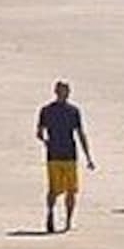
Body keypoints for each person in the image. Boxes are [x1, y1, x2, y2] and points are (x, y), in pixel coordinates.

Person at [35, 80, 95, 233]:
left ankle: (59, 216)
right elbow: (79, 133)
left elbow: (40, 133)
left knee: (63, 189)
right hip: (65, 154)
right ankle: (63, 219)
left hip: (58, 154)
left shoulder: (50, 110)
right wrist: (88, 156)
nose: (65, 93)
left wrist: (47, 142)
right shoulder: (68, 110)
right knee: (66, 190)